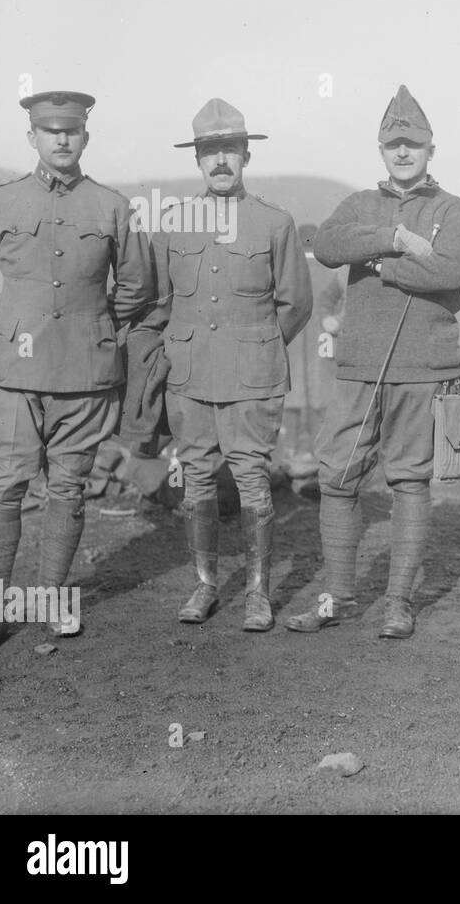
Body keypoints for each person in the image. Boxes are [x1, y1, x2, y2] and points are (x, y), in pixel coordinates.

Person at [286, 86, 460, 639]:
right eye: (394, 143)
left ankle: (397, 603)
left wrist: (381, 266)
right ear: (381, 148)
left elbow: (450, 273)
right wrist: (393, 238)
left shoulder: (453, 209)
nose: (404, 152)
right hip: (360, 366)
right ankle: (337, 596)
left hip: (424, 367)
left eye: (413, 143)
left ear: (431, 149)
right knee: (337, 476)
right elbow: (324, 244)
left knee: (410, 481)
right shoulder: (360, 204)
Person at [0, 91, 152, 655]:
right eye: (49, 132)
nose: (60, 140)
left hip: (84, 374)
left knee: (68, 488)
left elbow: (137, 286)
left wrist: (91, 326)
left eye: (70, 132)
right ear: (31, 137)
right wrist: (2, 320)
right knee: (4, 486)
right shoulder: (0, 202)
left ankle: (52, 600)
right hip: (12, 375)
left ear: (84, 137)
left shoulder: (111, 206)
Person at [143, 98, 312, 632]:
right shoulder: (174, 225)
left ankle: (259, 594)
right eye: (209, 152)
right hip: (189, 379)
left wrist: (257, 348)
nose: (220, 162)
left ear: (245, 156)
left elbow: (295, 304)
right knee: (195, 483)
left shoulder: (274, 223)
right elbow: (160, 303)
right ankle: (206, 584)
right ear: (197, 160)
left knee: (254, 484)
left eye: (230, 151)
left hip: (252, 381)